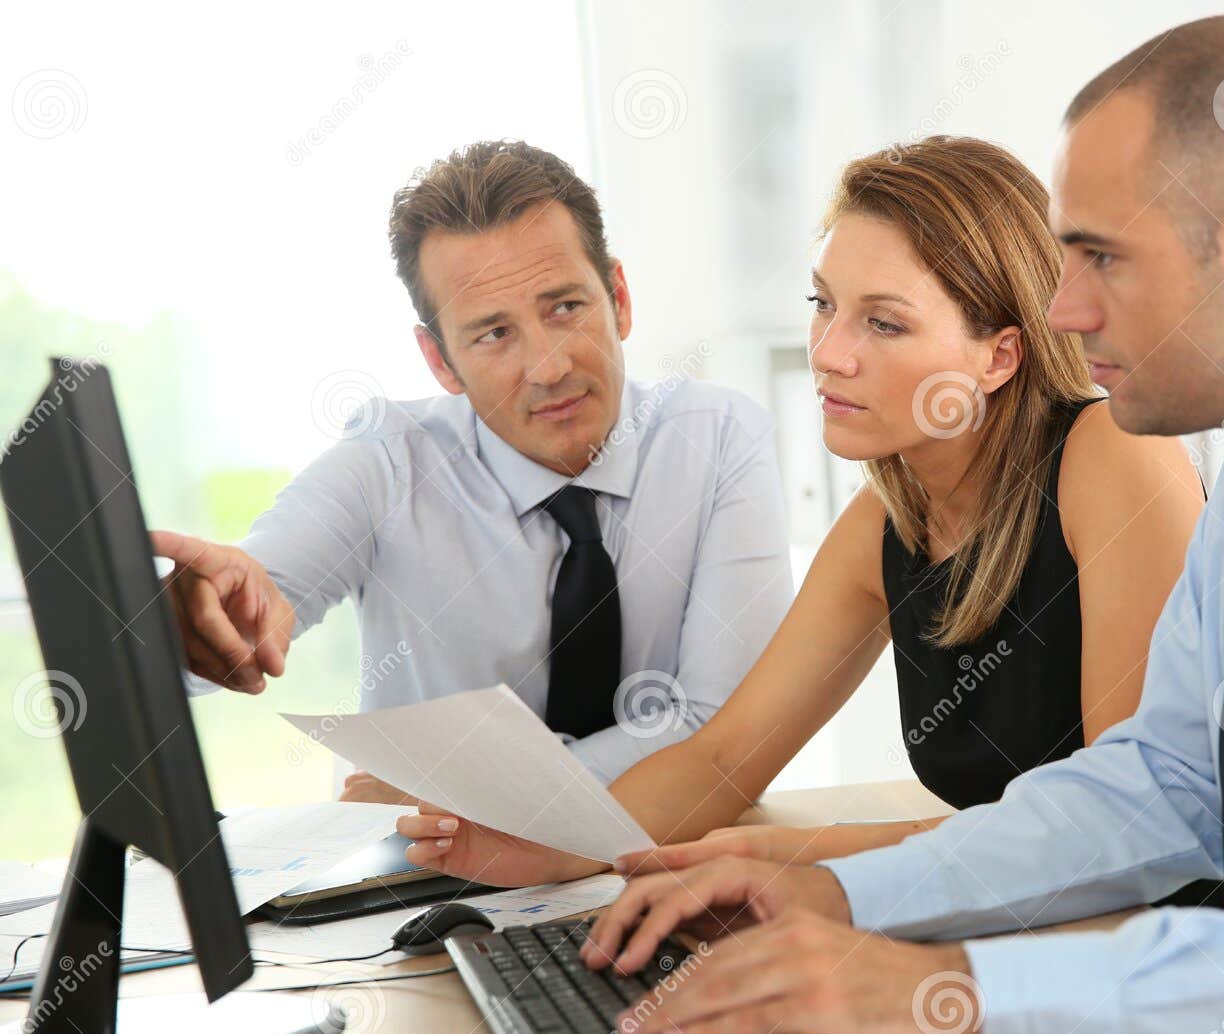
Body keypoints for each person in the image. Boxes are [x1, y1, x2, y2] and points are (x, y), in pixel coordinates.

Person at [578, 15, 1224, 1034]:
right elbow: (1162, 785)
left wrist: (963, 989)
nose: (1062, 310)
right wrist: (835, 891)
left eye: (1101, 257)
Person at [396, 136, 1203, 884]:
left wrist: (794, 855)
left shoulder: (1114, 455)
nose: (828, 353)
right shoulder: (888, 521)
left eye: (883, 322)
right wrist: (545, 846)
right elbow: (721, 760)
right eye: (823, 303)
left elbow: (1123, 820)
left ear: (998, 355)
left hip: (1174, 947)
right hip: (1025, 935)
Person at [150, 140, 793, 791]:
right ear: (439, 361)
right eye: (494, 334)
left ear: (619, 299)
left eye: (565, 308)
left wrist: (468, 793)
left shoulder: (718, 440)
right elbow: (245, 607)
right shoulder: (386, 463)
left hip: (672, 843)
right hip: (430, 857)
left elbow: (725, 726)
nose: (549, 368)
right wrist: (196, 626)